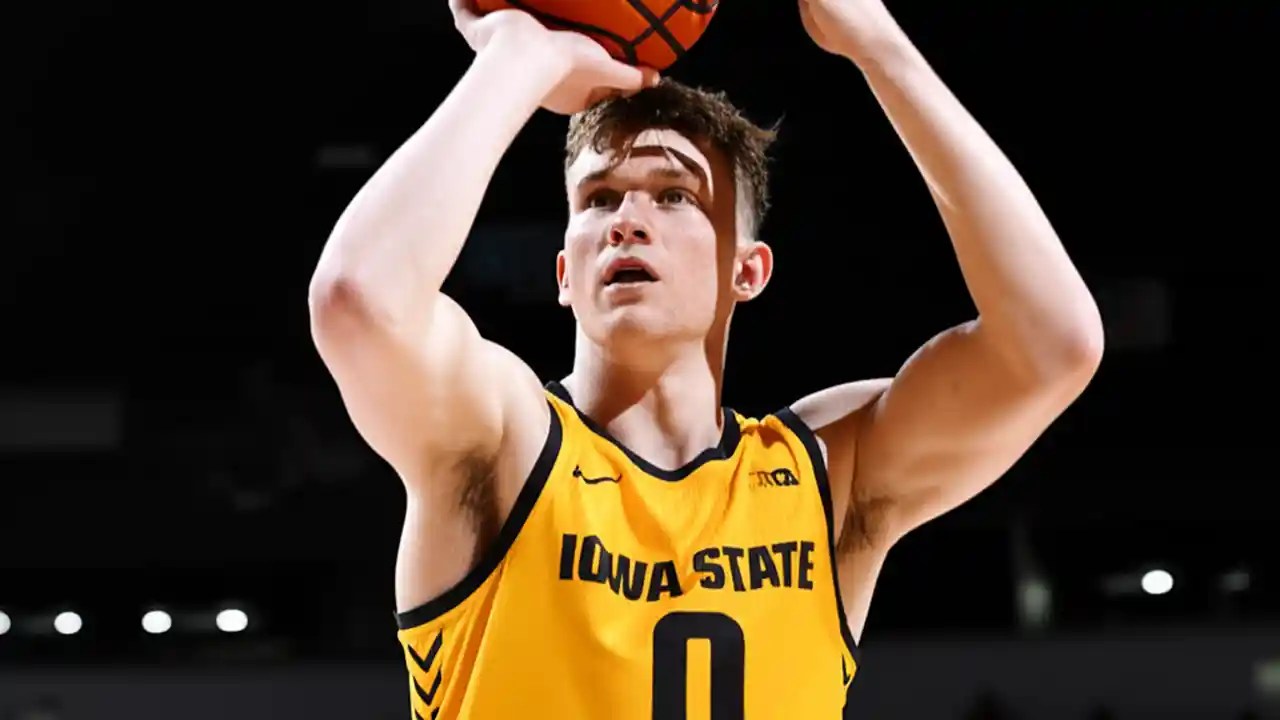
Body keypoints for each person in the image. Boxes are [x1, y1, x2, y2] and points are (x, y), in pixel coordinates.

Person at [307, 0, 1104, 717]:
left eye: (675, 195)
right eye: (598, 199)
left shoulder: (823, 476)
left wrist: (877, 44)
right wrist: (519, 57)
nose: (627, 220)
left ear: (746, 270)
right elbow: (358, 301)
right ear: (564, 273)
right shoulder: (504, 447)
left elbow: (1054, 344)